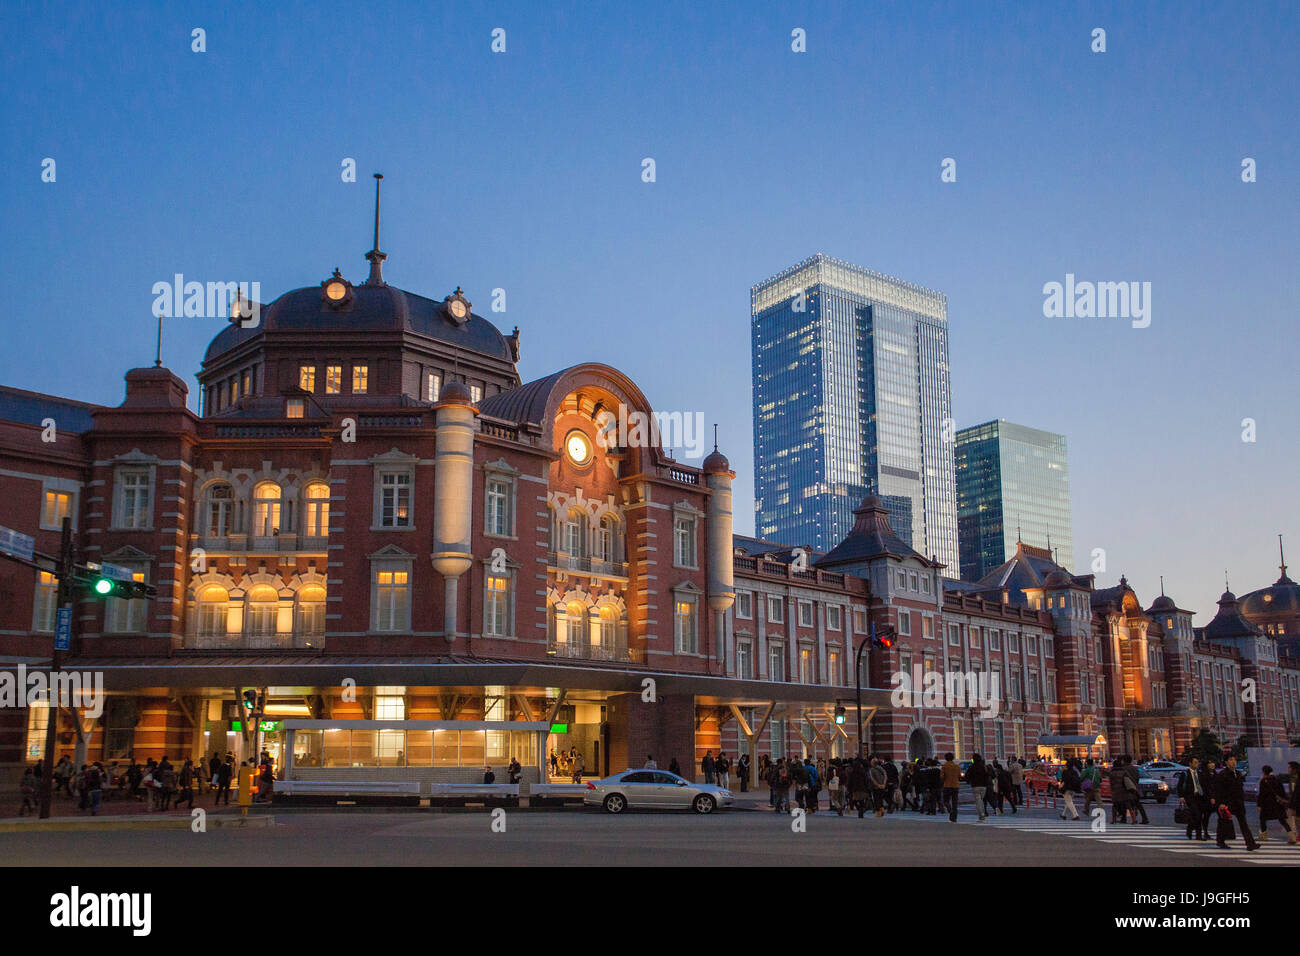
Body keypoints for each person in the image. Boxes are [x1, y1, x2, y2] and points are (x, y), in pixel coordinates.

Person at [1215, 756, 1259, 851]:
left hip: (1238, 803)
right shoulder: (1222, 774)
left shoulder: (1238, 774)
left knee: (1244, 824)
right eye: (1230, 760)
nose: (1233, 762)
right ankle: (1220, 841)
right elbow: (1219, 790)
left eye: (1235, 760)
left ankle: (1250, 843)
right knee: (1223, 823)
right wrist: (1221, 803)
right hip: (1227, 802)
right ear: (1226, 762)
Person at [1255, 765, 1291, 843]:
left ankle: (1263, 836)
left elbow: (1262, 794)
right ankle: (1292, 836)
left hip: (1267, 805)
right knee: (1282, 820)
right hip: (1277, 804)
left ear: (1264, 772)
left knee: (1263, 819)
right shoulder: (1277, 779)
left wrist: (1259, 805)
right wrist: (1284, 801)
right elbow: (1282, 792)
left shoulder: (1264, 781)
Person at [966, 754, 989, 821]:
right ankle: (983, 812)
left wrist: (968, 781)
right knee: (981, 800)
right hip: (984, 786)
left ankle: (981, 815)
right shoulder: (984, 767)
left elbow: (967, 776)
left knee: (978, 801)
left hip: (975, 785)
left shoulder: (972, 767)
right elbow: (987, 775)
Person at [941, 753, 962, 821]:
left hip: (947, 785)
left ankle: (950, 810)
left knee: (946, 801)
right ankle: (954, 817)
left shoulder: (944, 766)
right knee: (955, 802)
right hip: (955, 785)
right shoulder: (957, 766)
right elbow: (959, 776)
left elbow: (942, 777)